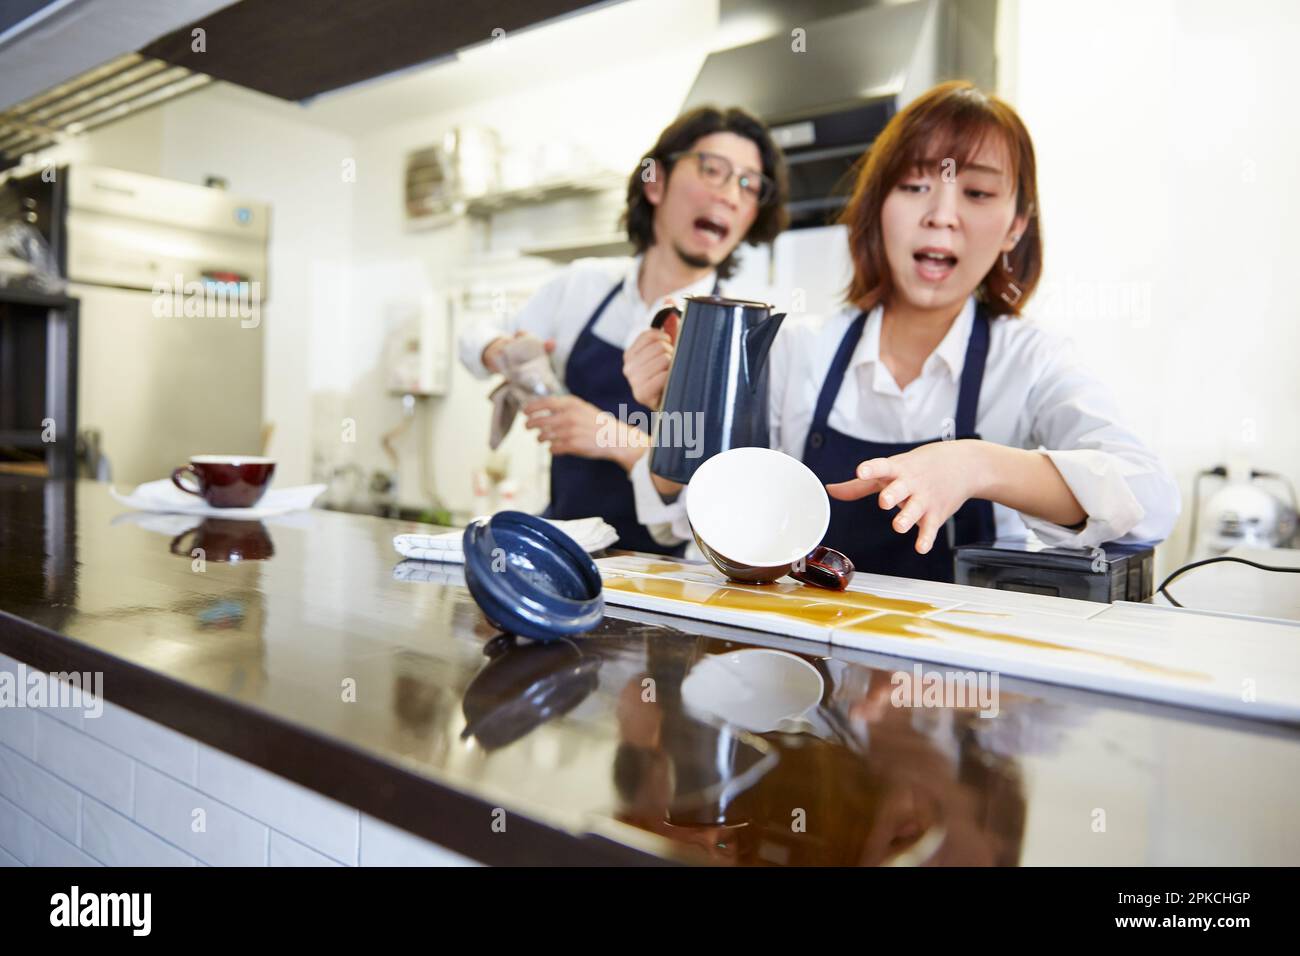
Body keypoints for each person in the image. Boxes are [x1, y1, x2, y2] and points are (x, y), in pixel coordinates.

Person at [623, 81, 1178, 581]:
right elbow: (693, 513)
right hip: (809, 670)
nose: (941, 214)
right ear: (877, 206)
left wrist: (978, 464)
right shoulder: (802, 349)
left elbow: (1150, 500)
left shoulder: (1030, 359)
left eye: (977, 194)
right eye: (914, 187)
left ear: (1015, 226)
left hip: (965, 679)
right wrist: (676, 414)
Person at [458, 106, 788, 555]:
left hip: (674, 580)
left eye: (749, 184)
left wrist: (615, 438)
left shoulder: (749, 332)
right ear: (656, 182)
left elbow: (734, 501)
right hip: (564, 555)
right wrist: (501, 351)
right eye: (713, 170)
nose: (731, 195)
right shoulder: (582, 288)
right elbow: (474, 333)